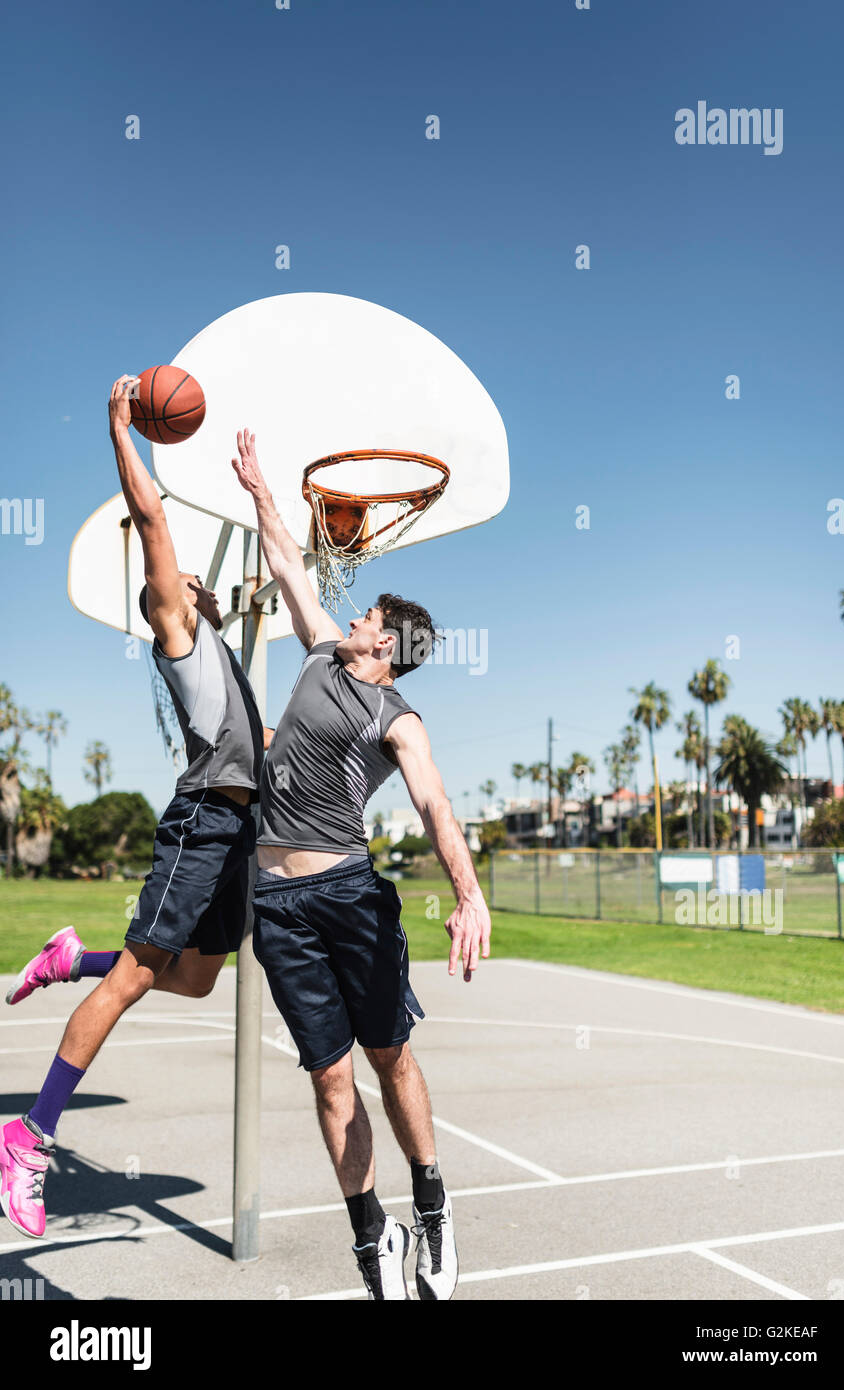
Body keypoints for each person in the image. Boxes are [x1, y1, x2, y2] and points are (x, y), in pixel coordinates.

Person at [0, 378, 267, 1240]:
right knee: (135, 982)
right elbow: (153, 520)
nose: (184, 577)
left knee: (191, 977)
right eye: (177, 581)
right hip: (205, 822)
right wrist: (123, 431)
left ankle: (73, 956)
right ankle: (30, 1136)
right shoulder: (175, 628)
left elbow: (219, 599)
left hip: (241, 834)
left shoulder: (212, 637)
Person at [232, 429, 491, 1301]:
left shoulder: (398, 716)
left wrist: (467, 892)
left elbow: (434, 805)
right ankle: (368, 1236)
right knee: (328, 1074)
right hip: (277, 902)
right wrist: (264, 491)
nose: (351, 619)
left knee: (391, 1060)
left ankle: (432, 1205)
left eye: (367, 621)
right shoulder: (316, 653)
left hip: (347, 894)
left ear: (385, 648)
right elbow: (291, 564)